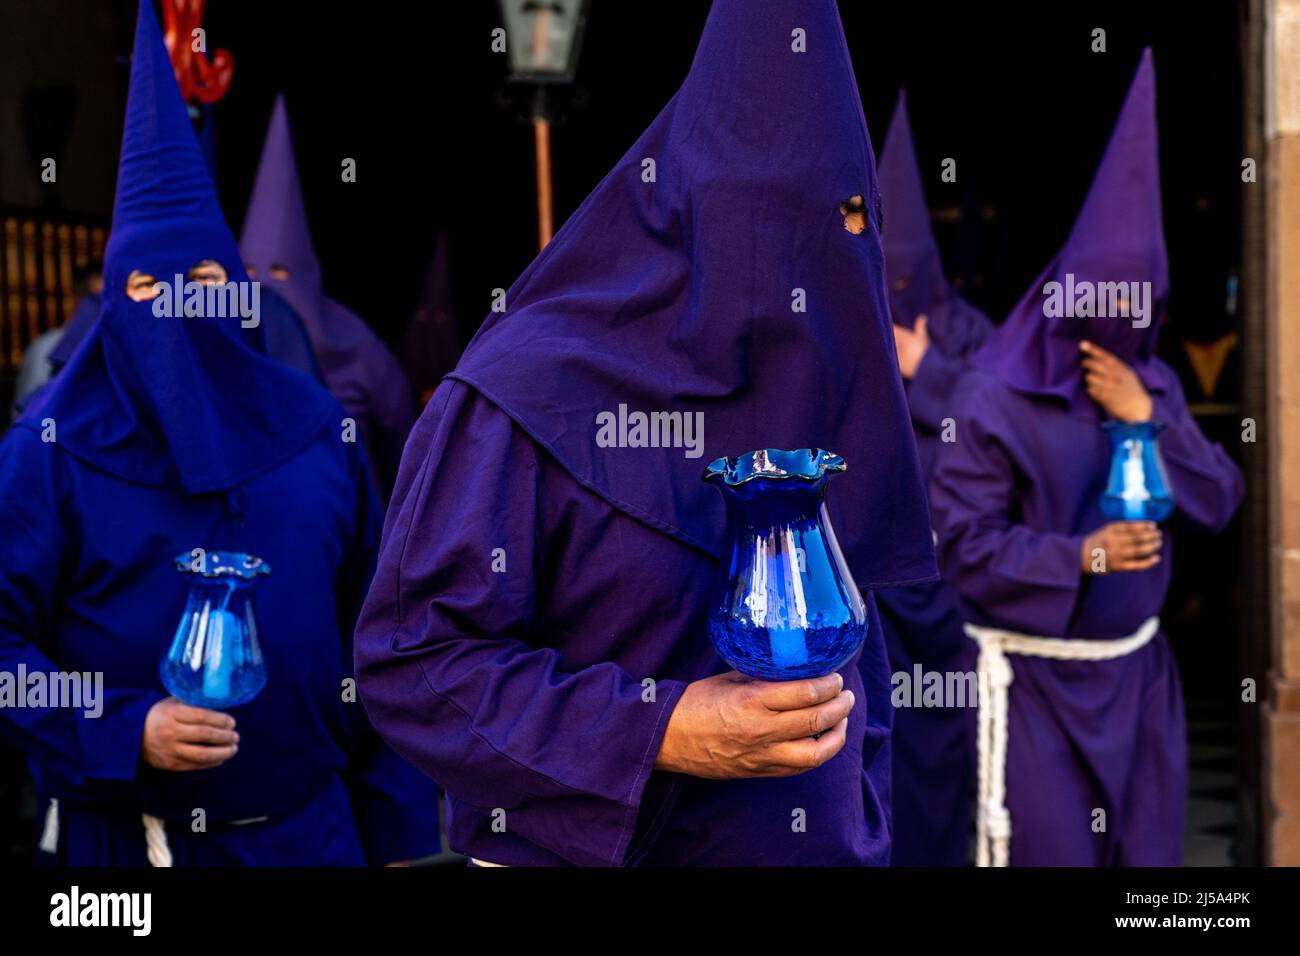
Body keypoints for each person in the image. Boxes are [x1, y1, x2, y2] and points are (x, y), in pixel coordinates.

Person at [354, 0, 937, 866]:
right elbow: (416, 664)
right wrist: (658, 730)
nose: (824, 248)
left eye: (851, 215)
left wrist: (863, 820)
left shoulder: (822, 379)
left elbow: (865, 654)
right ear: (688, 208)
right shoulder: (522, 393)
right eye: (778, 214)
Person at [0, 0, 440, 867]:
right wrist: (120, 727)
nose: (174, 308)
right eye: (144, 287)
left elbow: (385, 634)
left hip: (313, 842)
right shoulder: (46, 450)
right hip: (128, 853)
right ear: (109, 299)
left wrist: (402, 835)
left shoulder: (317, 435)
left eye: (200, 279)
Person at [928, 49, 1244, 866]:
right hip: (1039, 688)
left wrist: (1150, 418)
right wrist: (1080, 556)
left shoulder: (1151, 381)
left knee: (1146, 865)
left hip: (1140, 679)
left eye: (1141, 310)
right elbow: (958, 547)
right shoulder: (992, 397)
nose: (1122, 328)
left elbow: (1218, 501)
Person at [874, 90, 992, 866]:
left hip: (956, 593)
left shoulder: (974, 336)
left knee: (951, 746)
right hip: (878, 594)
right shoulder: (844, 325)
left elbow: (1002, 427)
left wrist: (926, 369)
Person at [240, 95, 416, 498]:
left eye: (281, 272)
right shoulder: (220, 343)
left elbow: (403, 445)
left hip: (351, 526)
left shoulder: (359, 349)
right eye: (249, 273)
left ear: (306, 271)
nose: (266, 289)